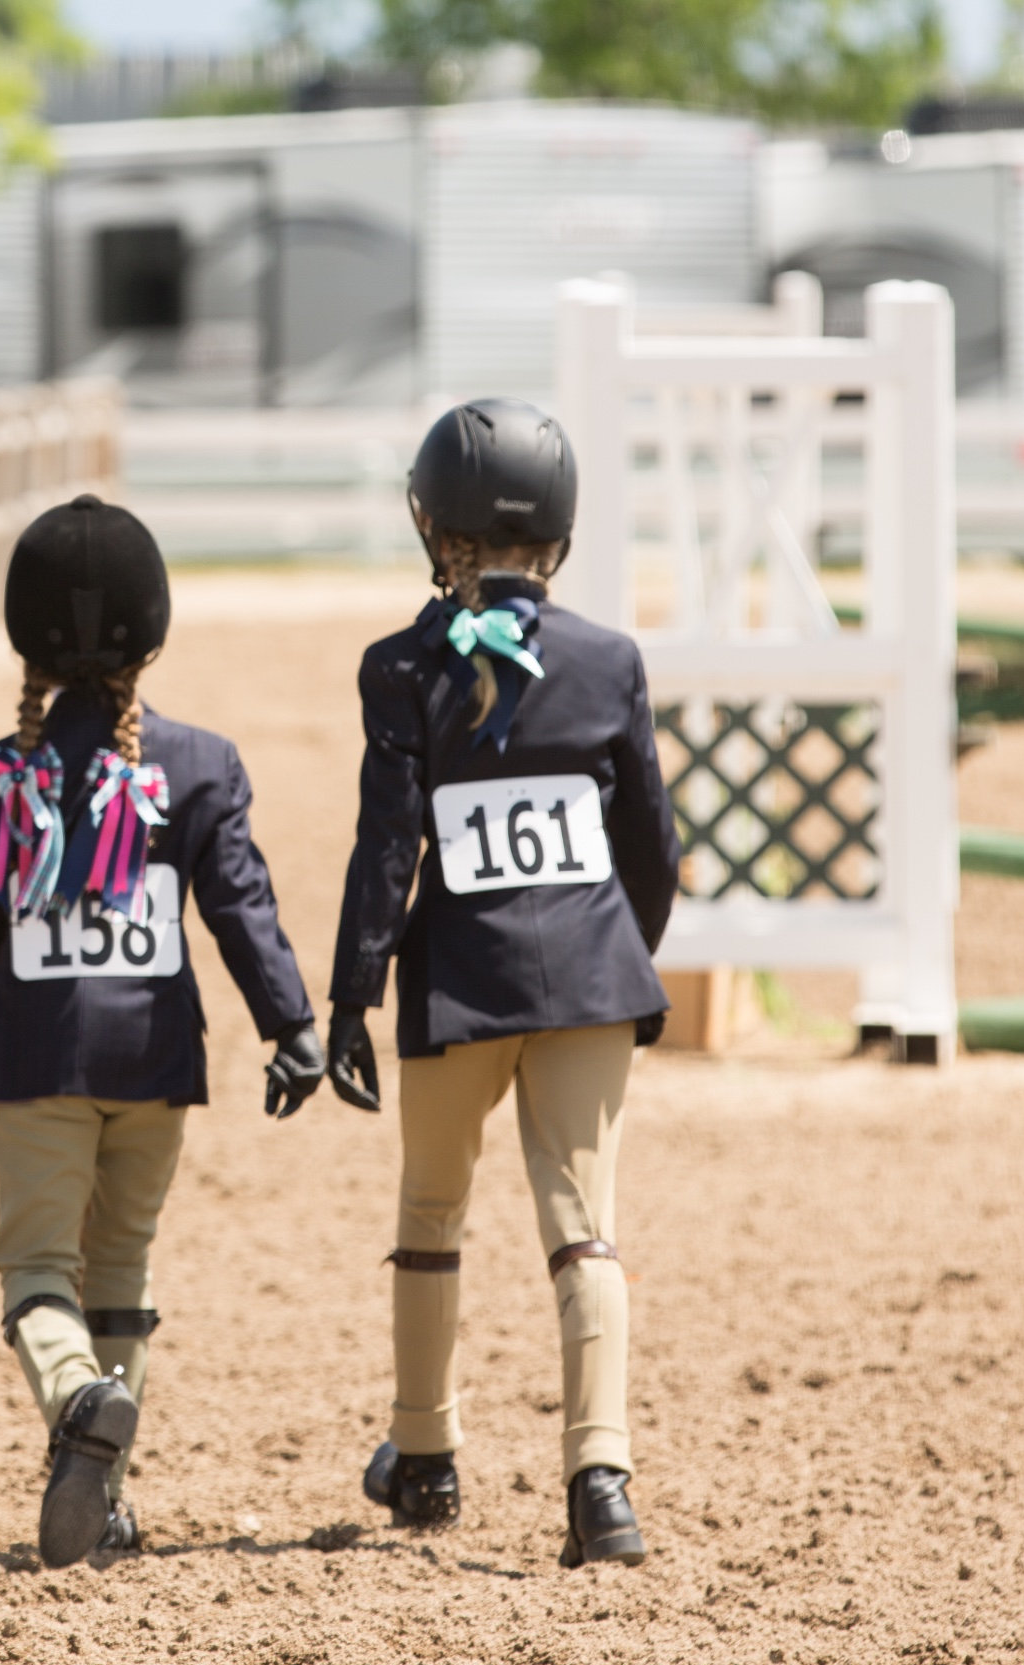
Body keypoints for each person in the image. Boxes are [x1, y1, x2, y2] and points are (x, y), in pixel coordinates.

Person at [0, 496, 325, 1569]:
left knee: (34, 1268)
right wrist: (292, 1024)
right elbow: (243, 905)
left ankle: (76, 1397)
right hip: (155, 1062)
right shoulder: (199, 765)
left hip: (38, 1061)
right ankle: (108, 1502)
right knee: (125, 1270)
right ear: (153, 635)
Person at [325, 398, 680, 1568]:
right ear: (560, 533)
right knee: (586, 1230)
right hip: (590, 978)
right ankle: (603, 1483)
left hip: (461, 986)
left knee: (432, 1215)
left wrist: (349, 995)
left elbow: (389, 851)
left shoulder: (402, 669)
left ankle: (424, 1453)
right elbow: (652, 848)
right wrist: (624, 956)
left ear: (439, 529)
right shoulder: (610, 660)